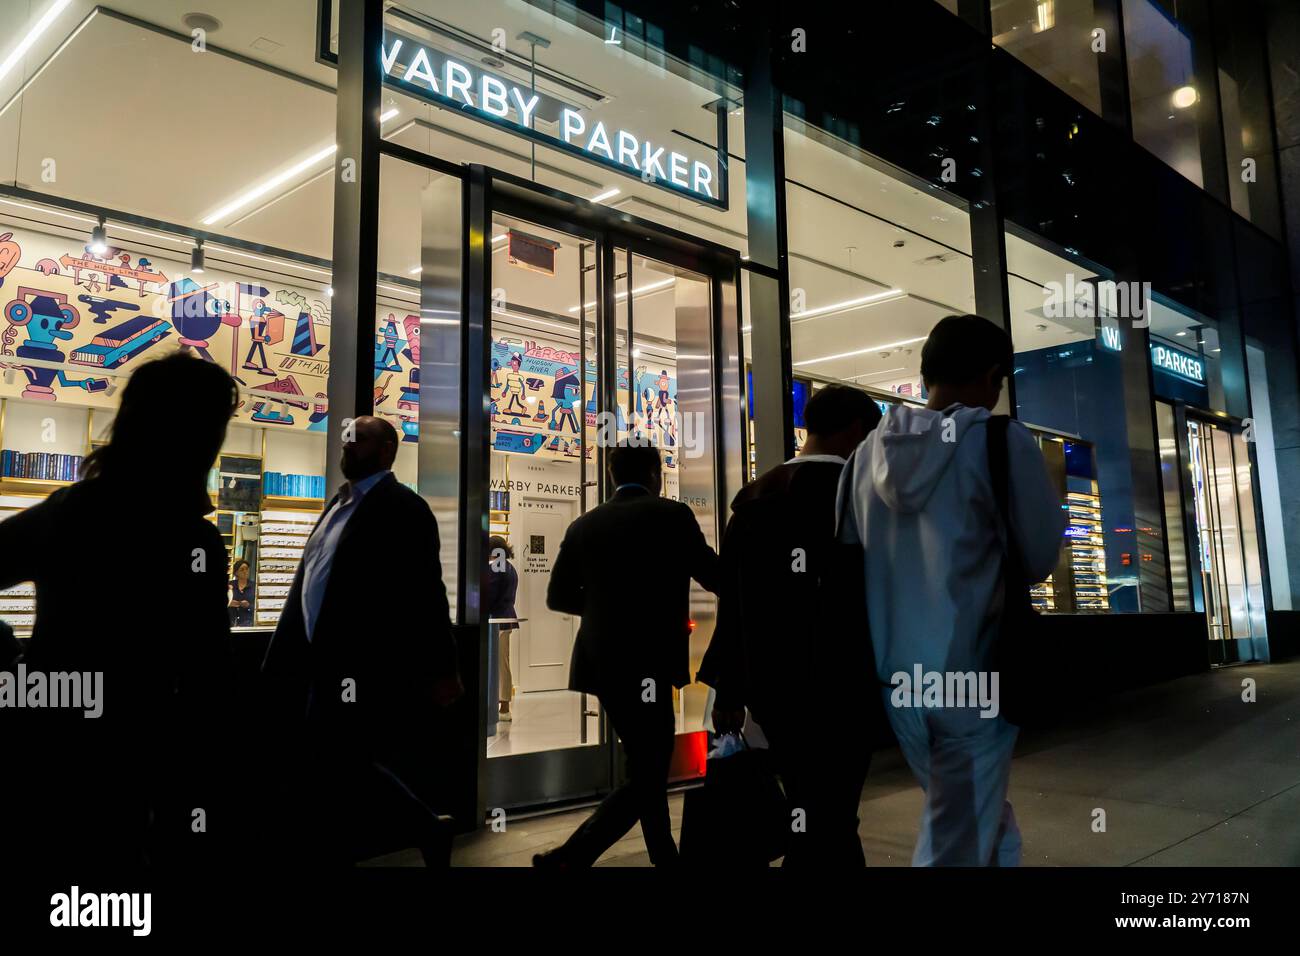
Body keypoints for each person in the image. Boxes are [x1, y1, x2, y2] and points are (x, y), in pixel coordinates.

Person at [838, 314, 1065, 866]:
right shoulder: (997, 439)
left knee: (969, 815)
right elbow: (1037, 558)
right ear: (993, 375)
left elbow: (847, 560)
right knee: (955, 840)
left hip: (898, 683)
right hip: (973, 672)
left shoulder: (864, 456)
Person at [0, 352, 239, 867]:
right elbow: (206, 673)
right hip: (138, 753)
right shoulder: (191, 537)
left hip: (49, 740)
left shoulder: (69, 511)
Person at [261, 415, 463, 865]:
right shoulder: (336, 505)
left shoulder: (405, 509)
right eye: (346, 439)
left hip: (361, 666)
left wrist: (443, 668)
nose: (348, 446)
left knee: (340, 760)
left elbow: (427, 593)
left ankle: (420, 829)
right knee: (335, 762)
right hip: (311, 661)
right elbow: (311, 582)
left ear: (388, 450)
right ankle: (424, 828)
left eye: (360, 439)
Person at [699, 384, 883, 866]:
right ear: (858, 432)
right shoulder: (863, 496)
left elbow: (734, 603)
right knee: (834, 812)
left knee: (810, 804)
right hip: (847, 680)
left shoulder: (754, 498)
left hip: (773, 687)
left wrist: (729, 689)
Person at [534, 443, 718, 867]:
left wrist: (605, 611)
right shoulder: (672, 516)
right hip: (650, 663)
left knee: (646, 761)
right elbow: (712, 574)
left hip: (602, 664)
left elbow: (559, 595)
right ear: (656, 475)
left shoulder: (585, 524)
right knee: (649, 769)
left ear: (613, 476)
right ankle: (570, 856)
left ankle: (663, 855)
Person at [484, 535, 519, 721]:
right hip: (505, 618)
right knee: (502, 663)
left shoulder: (498, 567)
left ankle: (504, 707)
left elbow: (490, 595)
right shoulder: (509, 567)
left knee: (500, 664)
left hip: (498, 620)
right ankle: (502, 705)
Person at [228, 557, 255, 628]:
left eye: (246, 569)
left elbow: (259, 608)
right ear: (236, 572)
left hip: (248, 624)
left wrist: (248, 606)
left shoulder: (254, 586)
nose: (245, 571)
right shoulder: (230, 585)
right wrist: (229, 603)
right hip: (231, 622)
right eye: (242, 569)